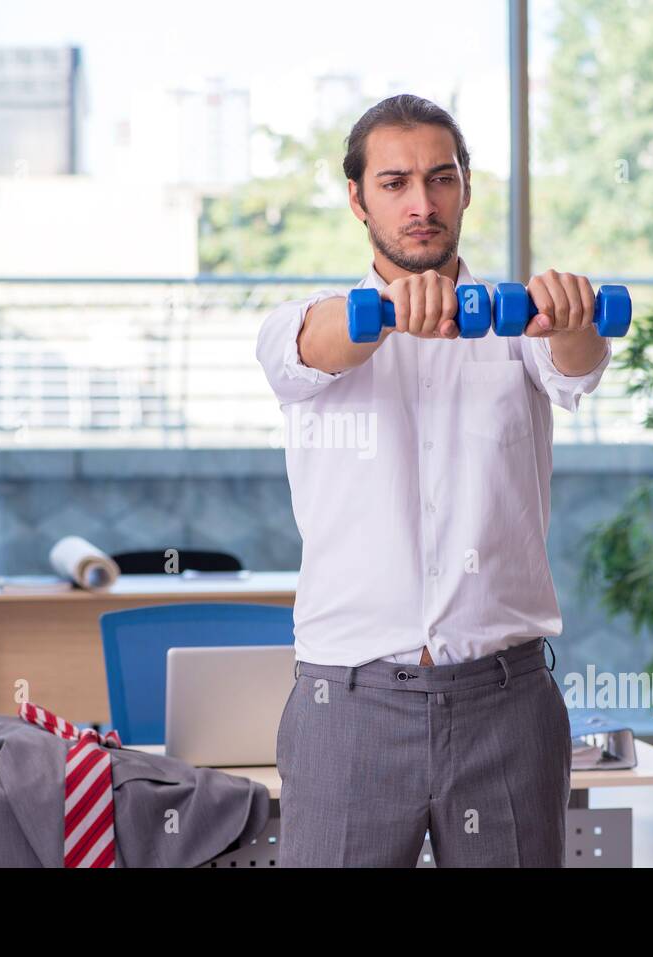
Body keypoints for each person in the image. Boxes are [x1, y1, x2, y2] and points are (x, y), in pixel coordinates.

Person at [255, 93, 612, 867]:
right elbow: (319, 344)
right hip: (346, 707)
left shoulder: (521, 327)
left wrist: (577, 318)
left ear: (466, 186)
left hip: (507, 705)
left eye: (440, 178)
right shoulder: (299, 322)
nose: (422, 203)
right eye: (394, 183)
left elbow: (577, 368)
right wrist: (385, 312)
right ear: (357, 197)